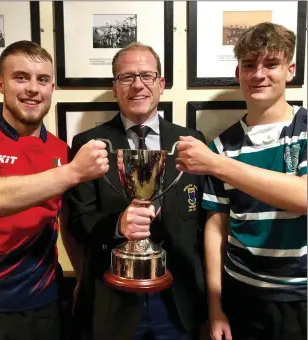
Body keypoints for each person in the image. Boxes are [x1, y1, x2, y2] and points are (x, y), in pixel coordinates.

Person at [63, 42, 207, 340]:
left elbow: (203, 223)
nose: (138, 84)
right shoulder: (89, 145)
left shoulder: (191, 141)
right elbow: (78, 221)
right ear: (115, 87)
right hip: (111, 301)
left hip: (179, 303)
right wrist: (117, 226)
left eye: (147, 75)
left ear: (162, 84)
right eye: (127, 77)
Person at [0, 40, 109, 340]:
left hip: (45, 301)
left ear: (52, 88)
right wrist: (72, 172)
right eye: (21, 77)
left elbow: (66, 221)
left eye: (42, 79)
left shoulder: (61, 149)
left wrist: (82, 277)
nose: (33, 88)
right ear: (0, 84)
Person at [176, 22, 307, 340]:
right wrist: (215, 306)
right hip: (241, 295)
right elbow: (216, 228)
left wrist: (218, 166)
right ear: (238, 74)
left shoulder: (304, 129)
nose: (259, 74)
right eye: (249, 65)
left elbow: (304, 197)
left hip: (299, 298)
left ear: (290, 70)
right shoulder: (223, 145)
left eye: (271, 64)